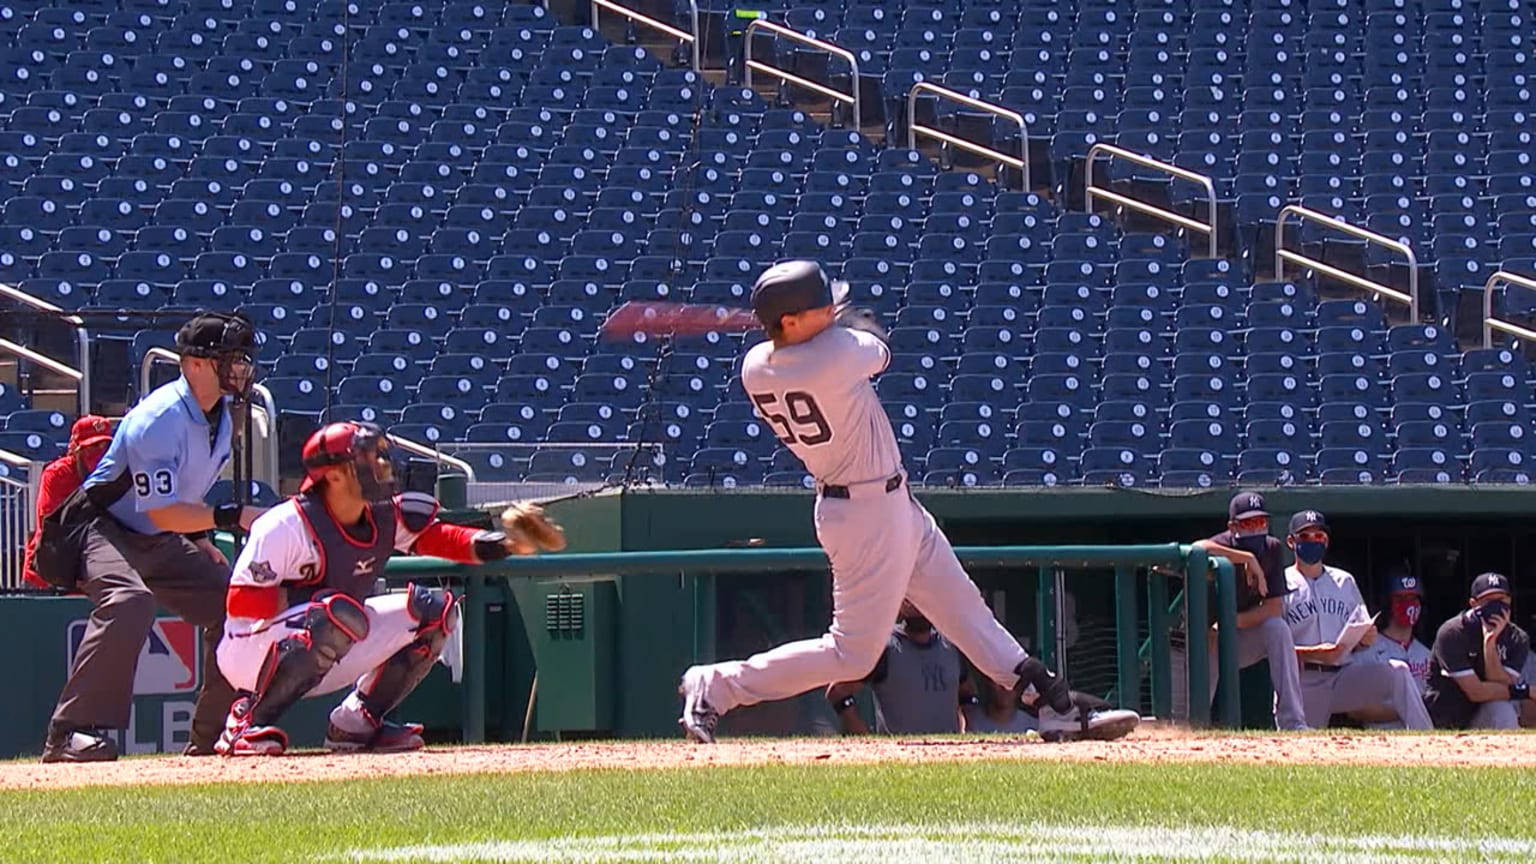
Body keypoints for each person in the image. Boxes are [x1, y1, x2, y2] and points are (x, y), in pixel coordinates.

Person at [676, 260, 1138, 744]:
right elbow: (878, 346)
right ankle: (718, 687)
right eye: (820, 307)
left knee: (965, 611)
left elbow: (821, 340)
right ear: (789, 322)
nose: (831, 309)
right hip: (866, 514)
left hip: (882, 504)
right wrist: (847, 323)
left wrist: (824, 322)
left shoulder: (756, 367)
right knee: (851, 655)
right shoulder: (835, 353)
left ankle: (1049, 701)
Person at [213, 421, 549, 755]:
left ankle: (356, 723)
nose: (383, 465)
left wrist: (506, 544)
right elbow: (241, 603)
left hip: (334, 632)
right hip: (250, 652)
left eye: (381, 456)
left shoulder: (383, 516)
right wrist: (314, 601)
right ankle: (247, 722)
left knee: (433, 612)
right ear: (333, 475)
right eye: (368, 458)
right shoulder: (286, 524)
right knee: (336, 613)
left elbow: (441, 538)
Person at [41, 311, 267, 763]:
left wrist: (201, 535)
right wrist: (230, 515)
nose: (240, 368)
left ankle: (213, 738)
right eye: (229, 358)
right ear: (195, 364)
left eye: (242, 358)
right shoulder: (160, 417)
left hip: (157, 534)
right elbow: (162, 508)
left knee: (238, 604)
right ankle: (68, 734)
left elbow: (182, 492)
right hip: (100, 526)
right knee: (129, 601)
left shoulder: (223, 415)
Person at [1278, 511, 1433, 730]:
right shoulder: (1281, 583)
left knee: (1398, 671)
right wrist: (1315, 653)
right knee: (1297, 750)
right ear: (1291, 542)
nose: (1313, 541)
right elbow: (1273, 649)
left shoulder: (1344, 581)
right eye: (1305, 537)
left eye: (1319, 536)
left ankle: (1426, 738)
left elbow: (1359, 634)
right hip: (1302, 681)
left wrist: (1364, 640)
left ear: (1327, 541)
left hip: (1343, 676)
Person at [1192, 491, 1307, 730]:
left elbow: (1274, 609)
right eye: (1248, 523)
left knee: (1278, 629)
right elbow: (1196, 549)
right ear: (1233, 526)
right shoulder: (1224, 543)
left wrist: (1230, 621)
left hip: (1234, 634)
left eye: (1260, 522)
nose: (1256, 529)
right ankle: (1195, 731)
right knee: (1188, 721)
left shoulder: (1272, 548)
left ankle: (1293, 722)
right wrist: (1244, 558)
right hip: (1198, 642)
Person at [825, 602, 975, 735]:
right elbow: (838, 691)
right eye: (911, 601)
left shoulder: (951, 646)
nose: (918, 608)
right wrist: (866, 740)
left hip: (948, 756)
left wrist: (970, 727)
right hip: (902, 758)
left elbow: (967, 693)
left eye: (923, 601)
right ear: (901, 605)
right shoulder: (885, 648)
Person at [1423, 572, 1536, 729]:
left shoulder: (1517, 638)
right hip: (1444, 719)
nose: (1496, 607)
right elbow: (1475, 692)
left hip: (1483, 715)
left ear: (1509, 600)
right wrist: (1525, 691)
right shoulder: (1453, 632)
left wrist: (1489, 644)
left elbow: (1502, 684)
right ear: (1474, 603)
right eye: (1489, 601)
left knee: (1502, 709)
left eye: (1501, 600)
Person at [20, 415, 114, 588]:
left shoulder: (114, 474)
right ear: (76, 448)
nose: (100, 452)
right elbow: (52, 522)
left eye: (105, 446)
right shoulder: (57, 474)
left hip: (94, 573)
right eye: (92, 446)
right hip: (47, 574)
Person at [1351, 571, 1433, 728]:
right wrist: (1409, 708)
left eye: (1413, 598)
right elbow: (1354, 710)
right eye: (1400, 598)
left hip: (1422, 740)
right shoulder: (1366, 651)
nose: (1408, 604)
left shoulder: (1427, 654)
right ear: (1388, 603)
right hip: (1383, 740)